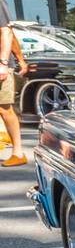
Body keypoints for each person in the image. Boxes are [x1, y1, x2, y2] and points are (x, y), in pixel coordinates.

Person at [0, 24, 28, 166]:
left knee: (4, 108)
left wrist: (4, 63)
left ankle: (18, 153)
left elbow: (7, 32)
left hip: (1, 66)